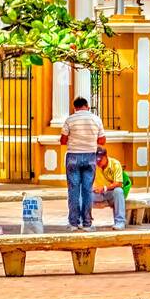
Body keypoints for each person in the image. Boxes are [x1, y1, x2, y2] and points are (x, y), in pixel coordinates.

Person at [61, 97, 106, 231]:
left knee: (73, 191)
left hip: (73, 156)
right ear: (87, 106)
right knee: (87, 191)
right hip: (90, 157)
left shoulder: (70, 119)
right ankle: (87, 223)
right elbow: (102, 140)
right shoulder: (96, 119)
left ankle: (74, 223)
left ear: (74, 107)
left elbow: (63, 140)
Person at [91, 147, 126, 230]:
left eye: (100, 160)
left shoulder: (115, 164)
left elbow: (119, 183)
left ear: (106, 157)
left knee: (119, 191)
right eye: (96, 160)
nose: (98, 162)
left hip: (111, 193)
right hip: (98, 194)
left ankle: (120, 222)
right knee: (84, 193)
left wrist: (104, 188)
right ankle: (85, 222)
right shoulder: (93, 165)